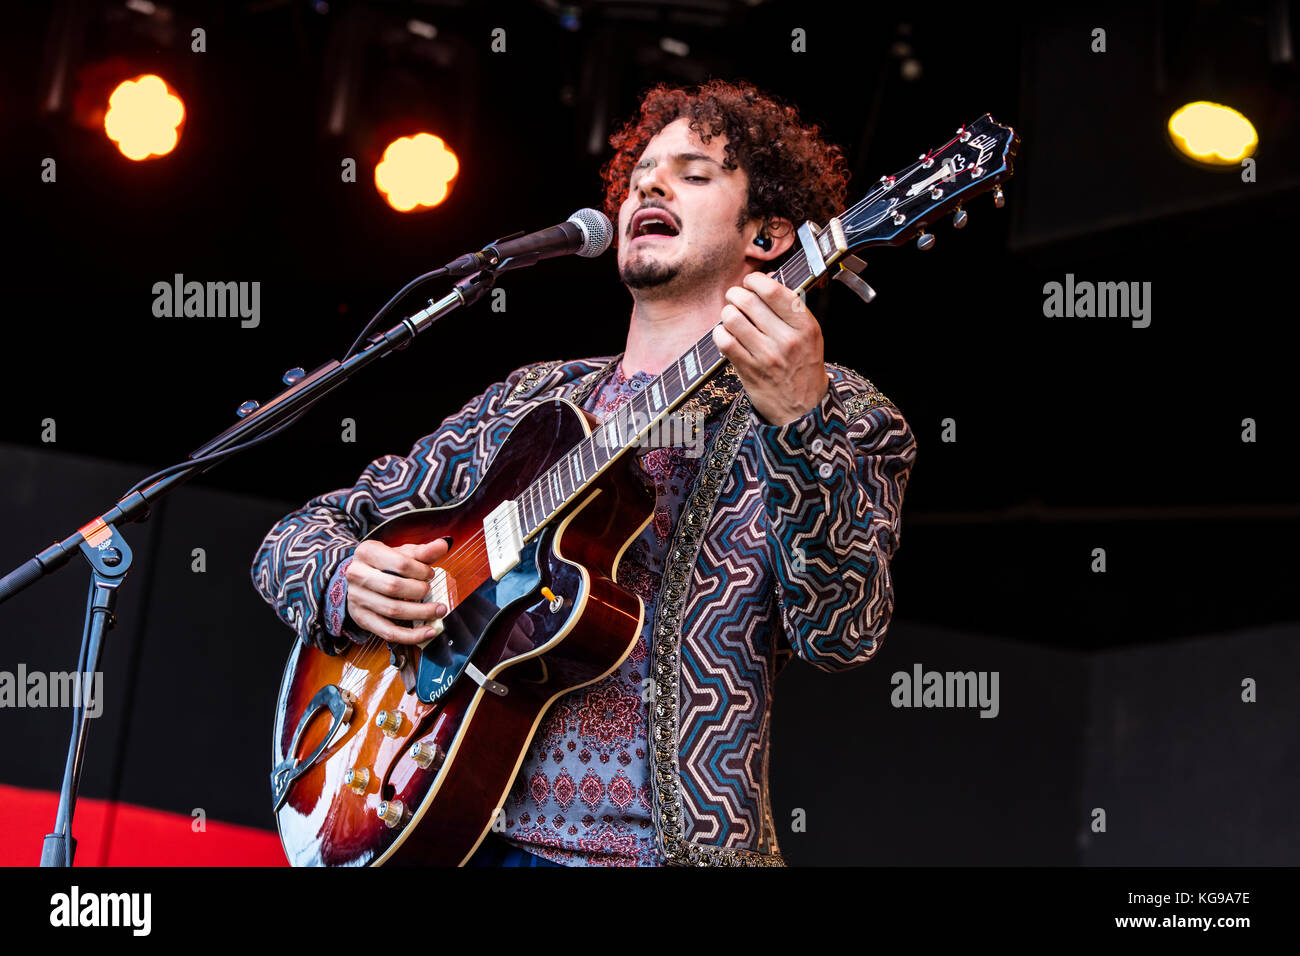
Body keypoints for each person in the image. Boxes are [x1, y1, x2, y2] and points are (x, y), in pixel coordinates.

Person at [252, 78, 916, 866]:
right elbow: (297, 535)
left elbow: (841, 632)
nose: (651, 187)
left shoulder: (838, 409)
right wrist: (345, 579)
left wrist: (799, 424)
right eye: (640, 177)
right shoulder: (529, 400)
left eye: (693, 174)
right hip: (448, 828)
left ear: (770, 235)